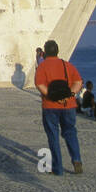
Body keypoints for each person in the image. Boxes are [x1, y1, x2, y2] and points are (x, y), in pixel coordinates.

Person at [34, 39, 83, 175]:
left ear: (44, 53)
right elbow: (78, 82)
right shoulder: (67, 65)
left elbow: (39, 84)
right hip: (69, 106)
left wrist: (52, 96)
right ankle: (77, 160)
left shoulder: (42, 67)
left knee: (53, 136)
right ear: (57, 51)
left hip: (50, 106)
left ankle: (58, 168)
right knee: (70, 132)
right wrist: (68, 95)